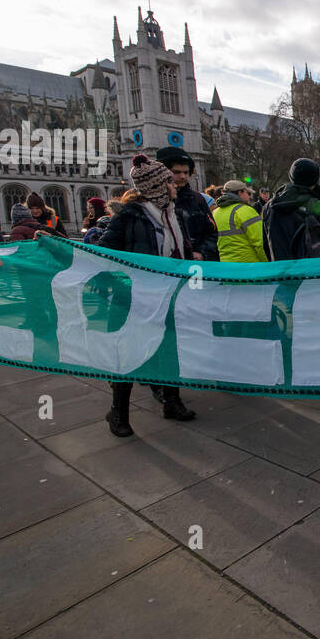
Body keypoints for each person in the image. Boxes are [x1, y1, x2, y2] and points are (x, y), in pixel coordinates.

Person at [96, 154, 197, 433]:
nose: (175, 185)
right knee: (130, 354)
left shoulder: (173, 214)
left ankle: (171, 401)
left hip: (168, 294)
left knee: (169, 348)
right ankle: (118, 413)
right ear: (157, 186)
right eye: (169, 181)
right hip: (134, 299)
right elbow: (104, 253)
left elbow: (182, 250)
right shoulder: (128, 217)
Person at [157, 146, 218, 261]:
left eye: (186, 172)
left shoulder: (198, 199)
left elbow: (212, 232)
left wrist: (201, 252)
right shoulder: (147, 202)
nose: (183, 176)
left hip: (196, 268)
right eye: (176, 172)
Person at [213, 180, 267, 263]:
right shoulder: (246, 211)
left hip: (226, 266)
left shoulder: (215, 213)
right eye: (247, 193)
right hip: (249, 267)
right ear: (239, 193)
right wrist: (267, 264)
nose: (249, 196)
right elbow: (260, 243)